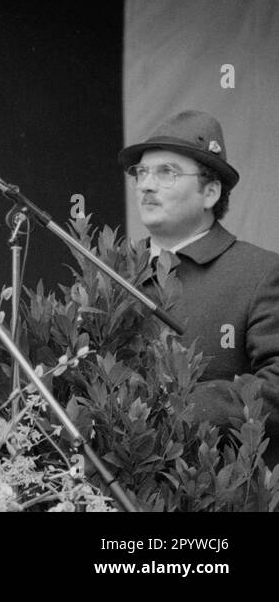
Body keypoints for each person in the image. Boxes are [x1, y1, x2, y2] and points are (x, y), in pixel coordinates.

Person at [119, 110, 279, 464]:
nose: (146, 184)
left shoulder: (262, 272)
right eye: (141, 172)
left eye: (167, 173)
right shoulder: (114, 274)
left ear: (209, 192)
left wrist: (179, 408)